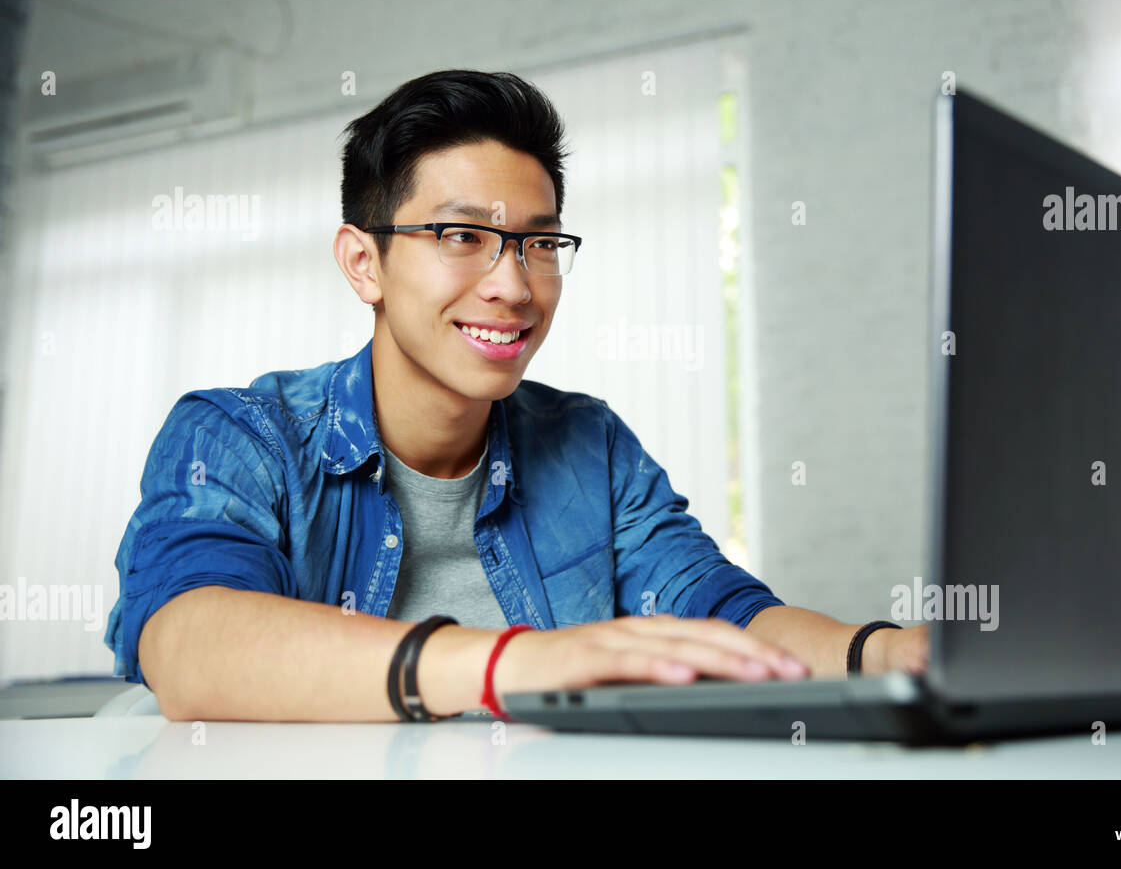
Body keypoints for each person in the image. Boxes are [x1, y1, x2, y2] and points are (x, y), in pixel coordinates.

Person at [104, 69, 928, 722]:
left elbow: (717, 610)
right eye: (462, 237)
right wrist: (510, 665)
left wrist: (884, 655)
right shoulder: (239, 438)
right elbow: (188, 643)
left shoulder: (588, 444)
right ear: (364, 263)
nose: (514, 285)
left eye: (537, 243)